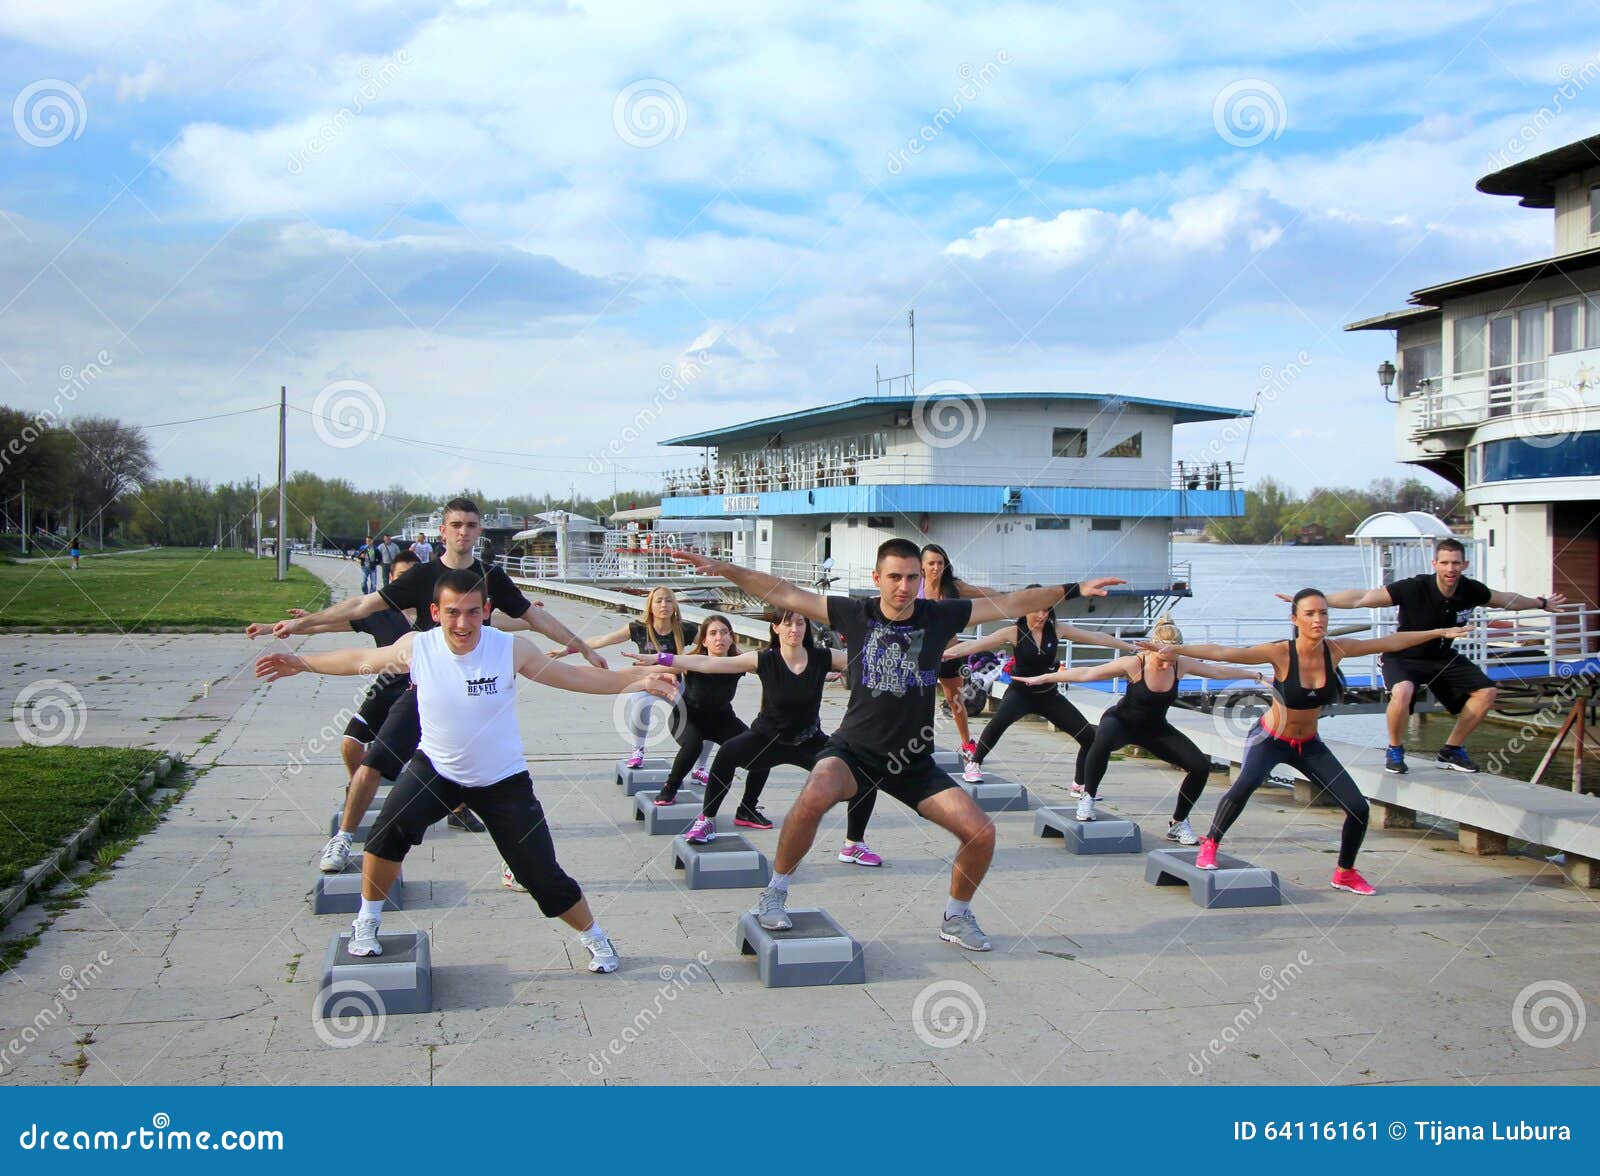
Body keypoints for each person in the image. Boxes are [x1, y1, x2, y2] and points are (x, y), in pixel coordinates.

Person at [669, 539, 1124, 949]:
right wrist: (720, 567)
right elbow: (784, 592)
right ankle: (775, 893)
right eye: (895, 577)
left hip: (912, 759)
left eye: (911, 576)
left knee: (981, 833)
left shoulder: (941, 613)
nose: (904, 586)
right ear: (877, 579)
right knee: (815, 793)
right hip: (854, 750)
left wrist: (1076, 588)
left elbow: (1011, 602)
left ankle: (956, 915)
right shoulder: (855, 613)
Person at [255, 569, 678, 971]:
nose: (463, 622)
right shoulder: (418, 647)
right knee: (384, 836)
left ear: (486, 610)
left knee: (541, 877)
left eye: (472, 611)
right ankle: (367, 919)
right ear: (436, 613)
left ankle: (595, 935)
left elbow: (574, 678)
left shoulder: (509, 648)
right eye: (452, 612)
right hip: (436, 769)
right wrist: (303, 663)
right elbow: (361, 658)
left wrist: (634, 681)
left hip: (502, 780)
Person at [261, 498, 605, 884]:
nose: (463, 531)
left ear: (479, 531)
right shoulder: (422, 575)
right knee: (373, 764)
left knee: (498, 782)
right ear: (443, 531)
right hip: (427, 690)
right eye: (456, 524)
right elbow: (362, 605)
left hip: (477, 696)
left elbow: (534, 616)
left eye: (471, 525)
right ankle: (343, 837)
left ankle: (517, 860)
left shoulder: (492, 576)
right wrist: (303, 623)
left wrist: (584, 646)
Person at [1140, 588, 1472, 894]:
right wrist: (1174, 649)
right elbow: (1226, 651)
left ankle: (1345, 872)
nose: (1318, 620)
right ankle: (1211, 843)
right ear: (1295, 619)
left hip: (1309, 744)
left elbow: (1391, 642)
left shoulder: (1338, 650)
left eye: (1324, 613)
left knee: (1357, 808)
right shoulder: (1281, 653)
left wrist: (1438, 632)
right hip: (1270, 738)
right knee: (1245, 786)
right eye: (1310, 614)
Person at [628, 607, 884, 863]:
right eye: (788, 624)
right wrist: (663, 659)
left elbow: (866, 658)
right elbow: (708, 662)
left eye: (800, 623)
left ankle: (853, 845)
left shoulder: (824, 657)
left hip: (809, 740)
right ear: (776, 628)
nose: (794, 629)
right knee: (727, 754)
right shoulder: (763, 658)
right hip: (766, 738)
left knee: (863, 777)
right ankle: (707, 820)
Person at [1305, 538, 1566, 774]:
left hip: (1441, 657)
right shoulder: (1415, 587)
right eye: (1444, 563)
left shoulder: (1471, 590)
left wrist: (1540, 603)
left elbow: (1506, 599)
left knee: (1487, 692)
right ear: (1435, 563)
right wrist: (1314, 602)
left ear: (1464, 564)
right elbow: (1361, 598)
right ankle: (1395, 750)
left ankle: (1451, 750)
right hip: (1402, 655)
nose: (1450, 569)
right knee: (1404, 691)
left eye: (1455, 563)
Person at [1013, 615, 1262, 843]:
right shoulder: (1135, 663)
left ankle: (1177, 822)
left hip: (1155, 729)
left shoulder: (1181, 664)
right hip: (1121, 722)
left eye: (1171, 659)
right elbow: (1087, 673)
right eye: (1162, 659)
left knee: (1199, 766)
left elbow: (1218, 670)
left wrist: (1258, 675)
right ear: (1152, 649)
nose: (1166, 665)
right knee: (1100, 741)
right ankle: (1087, 797)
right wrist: (1042, 678)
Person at [939, 588, 1136, 787]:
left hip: (1048, 696)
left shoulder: (1057, 629)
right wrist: (943, 654)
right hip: (1020, 694)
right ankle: (974, 763)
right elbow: (975, 646)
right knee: (997, 724)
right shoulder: (1014, 632)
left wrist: (1130, 647)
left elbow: (1097, 637)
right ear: (1025, 609)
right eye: (1036, 610)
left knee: (1088, 738)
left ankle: (1080, 785)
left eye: (1046, 610)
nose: (1041, 615)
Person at [581, 586, 713, 778]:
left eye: (668, 601)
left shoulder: (686, 629)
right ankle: (638, 750)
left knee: (706, 717)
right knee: (640, 703)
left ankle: (700, 768)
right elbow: (602, 640)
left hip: (674, 684)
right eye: (658, 601)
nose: (664, 605)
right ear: (650, 606)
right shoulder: (638, 628)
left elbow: (711, 642)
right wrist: (568, 649)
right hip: (645, 682)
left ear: (675, 606)